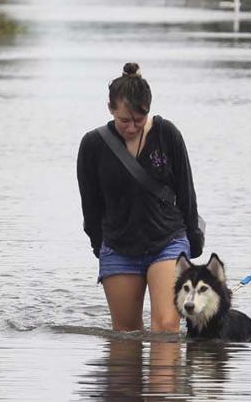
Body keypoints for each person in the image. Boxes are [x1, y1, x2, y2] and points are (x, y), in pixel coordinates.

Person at [77, 62, 201, 333]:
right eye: (124, 120)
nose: (132, 127)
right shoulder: (93, 145)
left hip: (167, 240)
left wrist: (194, 239)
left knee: (167, 326)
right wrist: (100, 245)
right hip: (119, 247)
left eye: (139, 119)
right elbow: (91, 206)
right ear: (110, 109)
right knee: (126, 333)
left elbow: (186, 192)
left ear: (149, 109)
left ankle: (164, 375)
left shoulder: (167, 134)